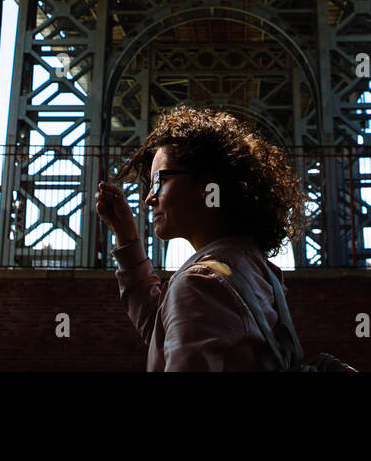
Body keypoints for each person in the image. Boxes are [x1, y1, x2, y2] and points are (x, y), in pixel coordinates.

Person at [94, 106, 305, 371]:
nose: (149, 198)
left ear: (207, 188)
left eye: (159, 181)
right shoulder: (257, 271)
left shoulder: (200, 284)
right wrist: (127, 238)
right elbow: (162, 329)